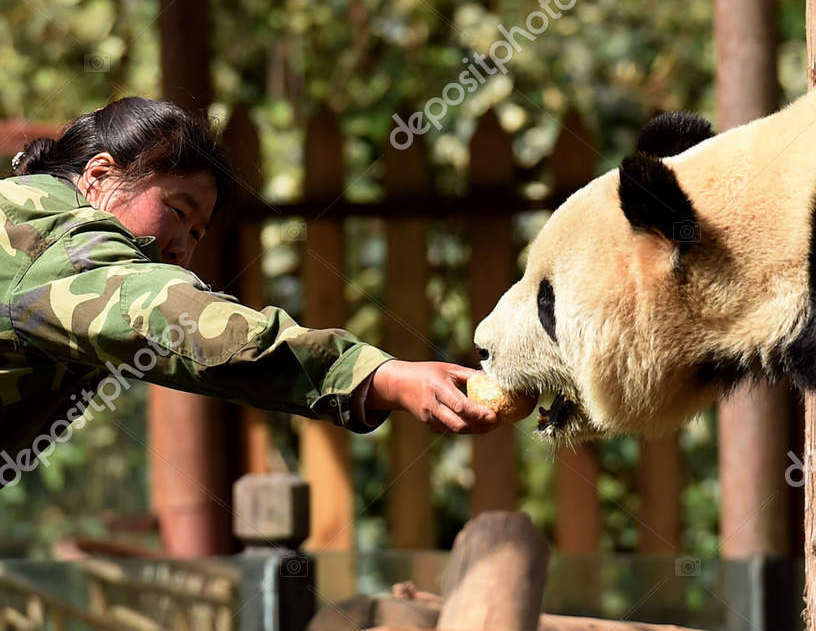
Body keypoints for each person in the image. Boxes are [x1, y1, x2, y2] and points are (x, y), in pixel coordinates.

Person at [0, 96, 496, 477]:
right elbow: (187, 324)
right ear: (99, 175)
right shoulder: (57, 243)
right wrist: (381, 376)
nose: (181, 247)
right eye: (176, 210)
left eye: (197, 233)